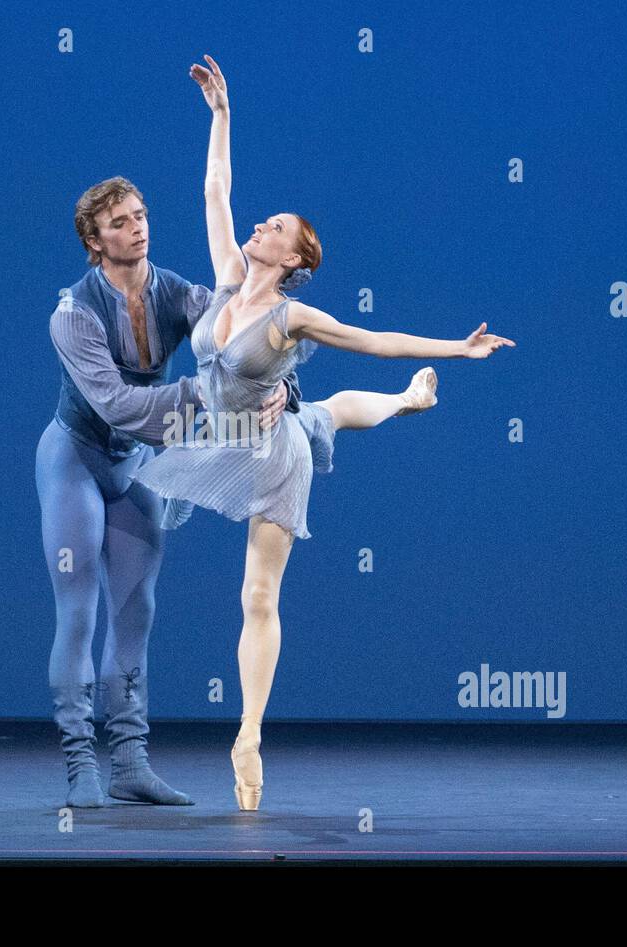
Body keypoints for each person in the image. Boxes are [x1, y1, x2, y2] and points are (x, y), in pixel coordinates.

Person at [131, 55, 516, 811]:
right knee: (328, 410)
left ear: (296, 256)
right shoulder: (224, 281)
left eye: (274, 227)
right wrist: (221, 116)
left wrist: (458, 350)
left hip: (271, 456)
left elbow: (373, 338)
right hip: (227, 432)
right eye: (262, 220)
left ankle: (248, 732)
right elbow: (214, 189)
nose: (258, 225)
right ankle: (408, 403)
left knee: (258, 593)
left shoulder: (292, 316)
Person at [37, 175, 304, 808]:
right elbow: (118, 404)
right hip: (74, 458)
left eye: (141, 215)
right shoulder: (72, 313)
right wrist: (205, 399)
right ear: (94, 242)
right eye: (121, 222)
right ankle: (81, 764)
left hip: (135, 468)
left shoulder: (179, 292)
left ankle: (130, 762)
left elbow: (246, 341)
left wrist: (279, 391)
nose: (138, 226)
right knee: (78, 613)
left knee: (136, 612)